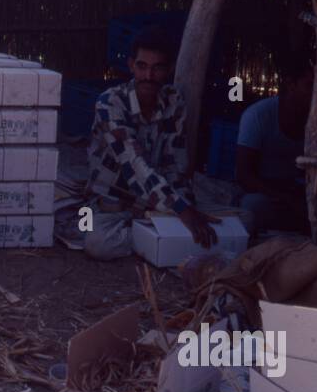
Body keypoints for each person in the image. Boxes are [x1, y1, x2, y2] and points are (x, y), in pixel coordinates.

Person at [83, 27, 220, 260]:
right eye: (142, 66)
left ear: (169, 69)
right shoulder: (109, 103)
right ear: (131, 65)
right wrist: (180, 209)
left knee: (241, 219)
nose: (149, 75)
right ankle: (152, 238)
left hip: (159, 201)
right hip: (115, 202)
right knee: (95, 241)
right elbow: (135, 165)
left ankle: (161, 237)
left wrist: (185, 202)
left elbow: (175, 166)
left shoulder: (174, 101)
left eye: (158, 68)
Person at [234, 56, 314, 237]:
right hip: (265, 192)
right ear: (291, 84)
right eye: (309, 86)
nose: (315, 93)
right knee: (252, 207)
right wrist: (284, 197)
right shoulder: (257, 116)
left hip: (295, 193)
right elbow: (244, 175)